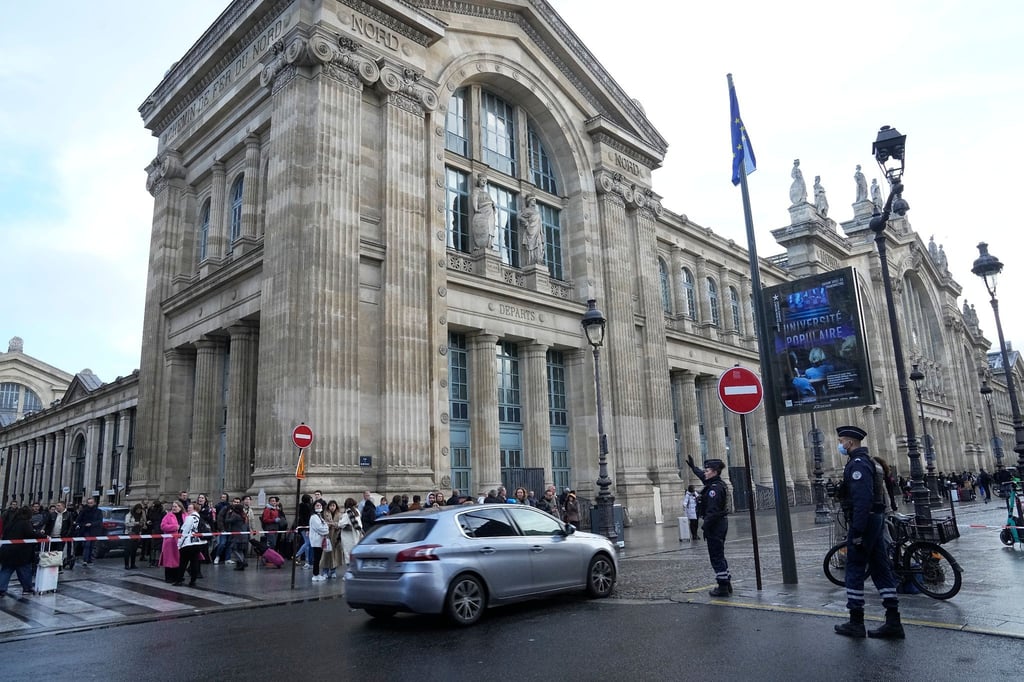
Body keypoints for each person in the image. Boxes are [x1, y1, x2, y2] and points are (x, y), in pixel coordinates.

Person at [833, 425, 905, 639]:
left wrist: (856, 531)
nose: (841, 445)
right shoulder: (867, 462)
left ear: (850, 443)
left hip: (866, 519)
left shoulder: (858, 464)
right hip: (875, 518)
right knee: (880, 567)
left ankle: (856, 621)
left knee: (854, 567)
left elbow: (862, 499)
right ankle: (893, 620)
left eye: (842, 440)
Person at [686, 456, 731, 596]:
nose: (705, 472)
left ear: (715, 472)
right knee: (720, 554)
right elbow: (702, 476)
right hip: (719, 524)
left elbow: (712, 511)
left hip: (715, 525)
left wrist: (705, 527)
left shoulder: (714, 489)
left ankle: (723, 587)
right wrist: (694, 468)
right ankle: (727, 583)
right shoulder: (715, 483)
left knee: (716, 556)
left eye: (707, 470)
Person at [0, 506, 42, 597]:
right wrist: (43, 536)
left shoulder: (11, 523)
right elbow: (31, 534)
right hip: (21, 553)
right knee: (24, 570)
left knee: (6, 570)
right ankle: (27, 588)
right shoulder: (25, 523)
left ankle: (1, 588)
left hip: (7, 550)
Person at [177, 502, 207, 586]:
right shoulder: (199, 518)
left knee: (183, 562)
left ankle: (179, 579)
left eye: (190, 508)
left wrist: (179, 543)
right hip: (197, 543)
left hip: (188, 543)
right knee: (194, 562)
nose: (188, 509)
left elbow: (184, 531)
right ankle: (193, 580)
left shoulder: (190, 518)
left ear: (194, 509)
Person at [159, 500, 185, 583]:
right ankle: (169, 577)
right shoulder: (168, 516)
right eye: (173, 506)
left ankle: (178, 576)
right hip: (170, 542)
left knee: (179, 559)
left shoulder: (185, 516)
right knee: (169, 560)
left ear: (180, 508)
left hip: (181, 541)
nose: (174, 508)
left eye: (176, 506)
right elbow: (163, 526)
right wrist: (174, 527)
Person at [74, 496, 103, 567]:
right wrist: (84, 524)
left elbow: (99, 521)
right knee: (87, 545)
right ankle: (85, 560)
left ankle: (89, 559)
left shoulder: (98, 511)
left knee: (92, 545)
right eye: (89, 503)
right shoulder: (83, 511)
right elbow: (78, 520)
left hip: (94, 530)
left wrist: (92, 524)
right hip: (85, 530)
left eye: (91, 503)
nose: (90, 504)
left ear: (94, 503)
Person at [471, 173, 495, 250]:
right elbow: (474, 199)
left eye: (485, 181)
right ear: (479, 181)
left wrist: (493, 205)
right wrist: (475, 209)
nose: (484, 182)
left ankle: (488, 243)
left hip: (489, 211)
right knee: (483, 227)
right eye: (482, 180)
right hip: (482, 210)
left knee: (489, 228)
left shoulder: (487, 193)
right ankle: (480, 245)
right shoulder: (476, 190)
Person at [308, 500, 331, 582]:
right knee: (316, 559)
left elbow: (325, 526)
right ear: (314, 507)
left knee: (318, 558)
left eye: (320, 506)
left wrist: (326, 528)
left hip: (320, 540)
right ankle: (315, 575)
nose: (319, 507)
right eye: (317, 505)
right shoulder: (314, 517)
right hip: (316, 540)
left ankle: (317, 574)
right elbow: (320, 528)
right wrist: (326, 530)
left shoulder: (319, 516)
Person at [518, 194, 544, 265]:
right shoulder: (527, 210)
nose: (534, 202)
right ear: (529, 201)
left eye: (535, 200)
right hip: (530, 231)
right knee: (530, 246)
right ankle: (531, 262)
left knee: (538, 247)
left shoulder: (536, 211)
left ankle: (537, 261)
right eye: (533, 200)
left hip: (537, 232)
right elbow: (519, 216)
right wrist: (525, 222)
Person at [321, 500, 344, 579]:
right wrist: (332, 524)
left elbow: (340, 524)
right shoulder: (325, 513)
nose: (332, 507)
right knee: (326, 554)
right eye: (331, 506)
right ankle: (325, 571)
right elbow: (324, 523)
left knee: (334, 555)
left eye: (333, 505)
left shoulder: (339, 514)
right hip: (327, 537)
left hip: (336, 538)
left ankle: (333, 571)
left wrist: (333, 524)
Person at [339, 498, 363, 567]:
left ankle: (350, 571)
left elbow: (341, 524)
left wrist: (339, 522)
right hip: (356, 535)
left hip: (348, 537)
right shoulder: (357, 512)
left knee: (348, 554)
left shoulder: (347, 513)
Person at [294, 493, 314, 568]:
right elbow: (306, 519)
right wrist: (307, 528)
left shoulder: (301, 506)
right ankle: (297, 555)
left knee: (307, 544)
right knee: (307, 542)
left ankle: (307, 560)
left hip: (303, 527)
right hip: (305, 527)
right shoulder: (306, 507)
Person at [124, 503, 145, 569]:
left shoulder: (141, 515)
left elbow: (143, 522)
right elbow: (127, 523)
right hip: (130, 533)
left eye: (140, 510)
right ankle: (126, 565)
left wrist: (142, 524)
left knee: (134, 550)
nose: (139, 511)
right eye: (138, 510)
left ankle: (133, 564)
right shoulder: (129, 515)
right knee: (128, 550)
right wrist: (136, 523)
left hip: (137, 533)